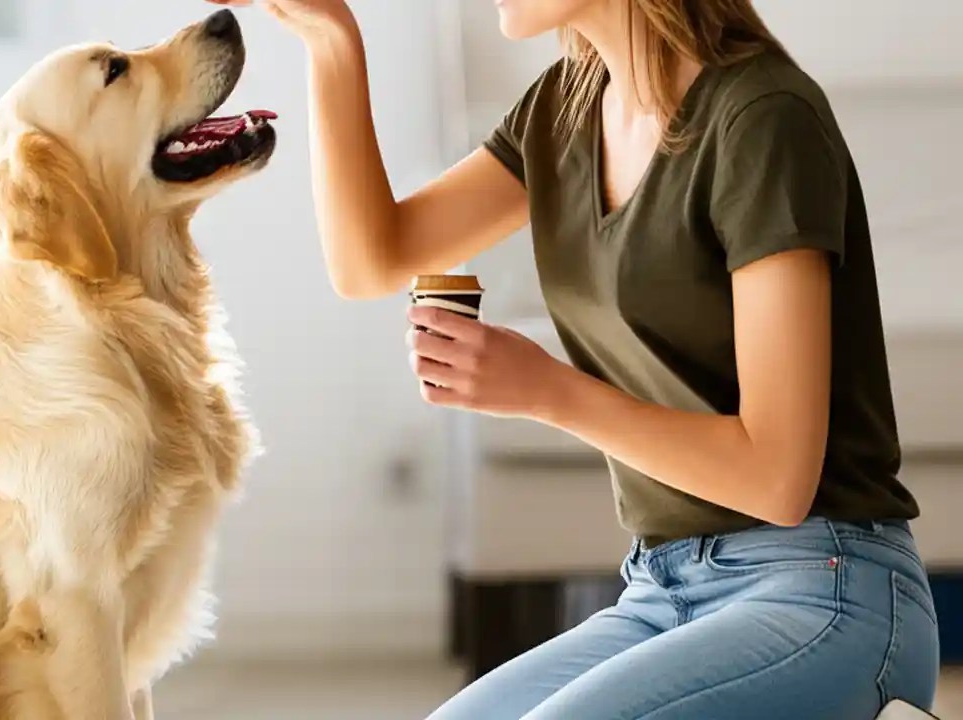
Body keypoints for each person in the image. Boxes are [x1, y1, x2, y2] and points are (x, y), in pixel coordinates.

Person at [208, 0, 941, 717]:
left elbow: (778, 480)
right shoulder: (565, 111)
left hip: (827, 589)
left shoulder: (761, 117)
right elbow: (372, 259)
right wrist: (332, 35)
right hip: (663, 591)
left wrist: (545, 390)